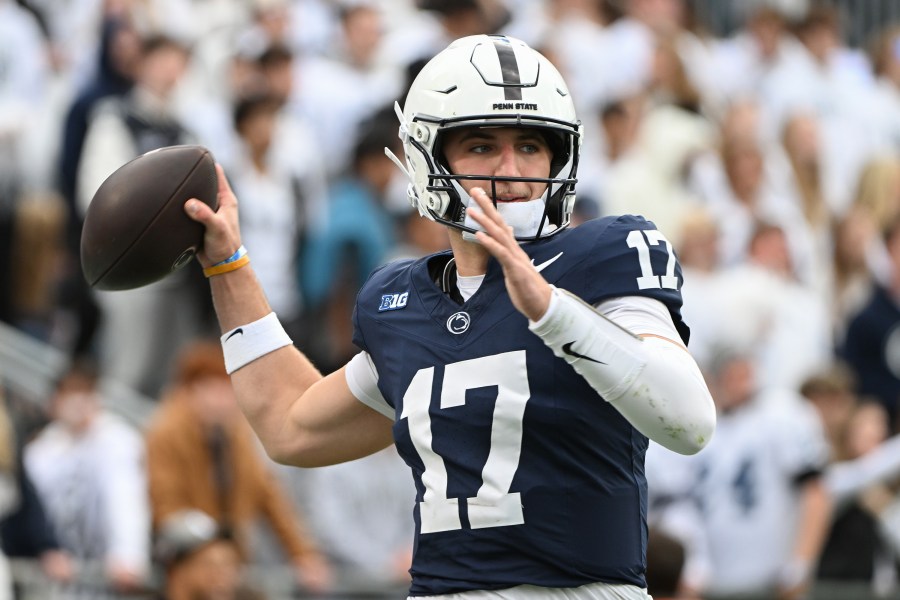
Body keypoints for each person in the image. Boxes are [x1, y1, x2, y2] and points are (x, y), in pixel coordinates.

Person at [184, 34, 716, 599]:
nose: (512, 171)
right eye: (483, 147)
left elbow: (688, 420)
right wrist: (229, 267)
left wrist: (553, 313)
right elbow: (289, 425)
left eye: (532, 147)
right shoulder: (404, 302)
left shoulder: (599, 258)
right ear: (426, 158)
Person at [143, 339, 331, 594]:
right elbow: (166, 504)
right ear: (189, 390)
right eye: (212, 388)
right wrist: (208, 545)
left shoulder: (238, 436)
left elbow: (270, 497)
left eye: (227, 389)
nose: (222, 400)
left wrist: (303, 554)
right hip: (182, 561)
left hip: (232, 563)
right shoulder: (166, 434)